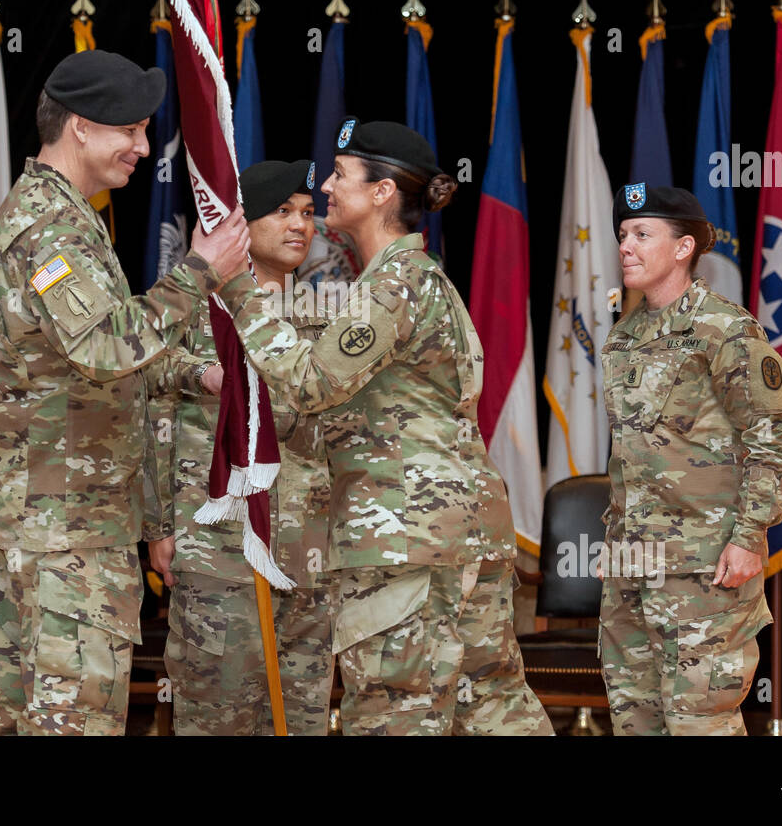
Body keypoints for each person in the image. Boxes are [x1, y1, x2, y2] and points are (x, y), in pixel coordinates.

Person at [212, 118, 553, 736]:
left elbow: (311, 382)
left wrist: (240, 290)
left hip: (404, 538)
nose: (326, 190)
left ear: (382, 192)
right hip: (458, 531)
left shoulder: (393, 285)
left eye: (341, 175)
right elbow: (353, 418)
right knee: (492, 707)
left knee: (395, 711)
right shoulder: (425, 281)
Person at [0, 49, 250, 736]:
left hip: (44, 526)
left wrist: (197, 373)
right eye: (132, 131)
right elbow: (105, 347)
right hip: (62, 538)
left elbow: (89, 367)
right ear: (82, 127)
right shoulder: (50, 227)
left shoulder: (62, 216)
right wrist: (200, 271)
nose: (144, 149)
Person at [598, 181, 782, 736]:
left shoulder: (725, 330)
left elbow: (772, 437)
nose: (626, 247)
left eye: (642, 234)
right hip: (632, 564)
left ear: (684, 247)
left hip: (703, 566)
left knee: (698, 722)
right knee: (636, 718)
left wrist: (748, 534)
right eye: (622, 234)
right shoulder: (623, 338)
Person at [148, 158, 336, 736]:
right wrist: (158, 528)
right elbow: (153, 411)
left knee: (301, 718)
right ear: (242, 225)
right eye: (281, 212)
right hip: (219, 552)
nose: (299, 225)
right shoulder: (198, 311)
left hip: (308, 555)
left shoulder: (328, 315)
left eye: (307, 213)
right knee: (218, 715)